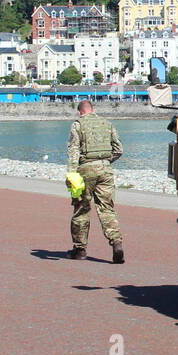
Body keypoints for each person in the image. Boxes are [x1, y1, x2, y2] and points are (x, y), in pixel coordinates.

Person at [66, 99, 125, 262]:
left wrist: (72, 174)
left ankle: (80, 250)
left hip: (85, 169)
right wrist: (106, 162)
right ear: (94, 109)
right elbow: (119, 149)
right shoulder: (107, 123)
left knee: (81, 209)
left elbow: (73, 151)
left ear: (79, 112)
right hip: (105, 169)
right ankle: (116, 242)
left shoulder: (77, 125)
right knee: (107, 208)